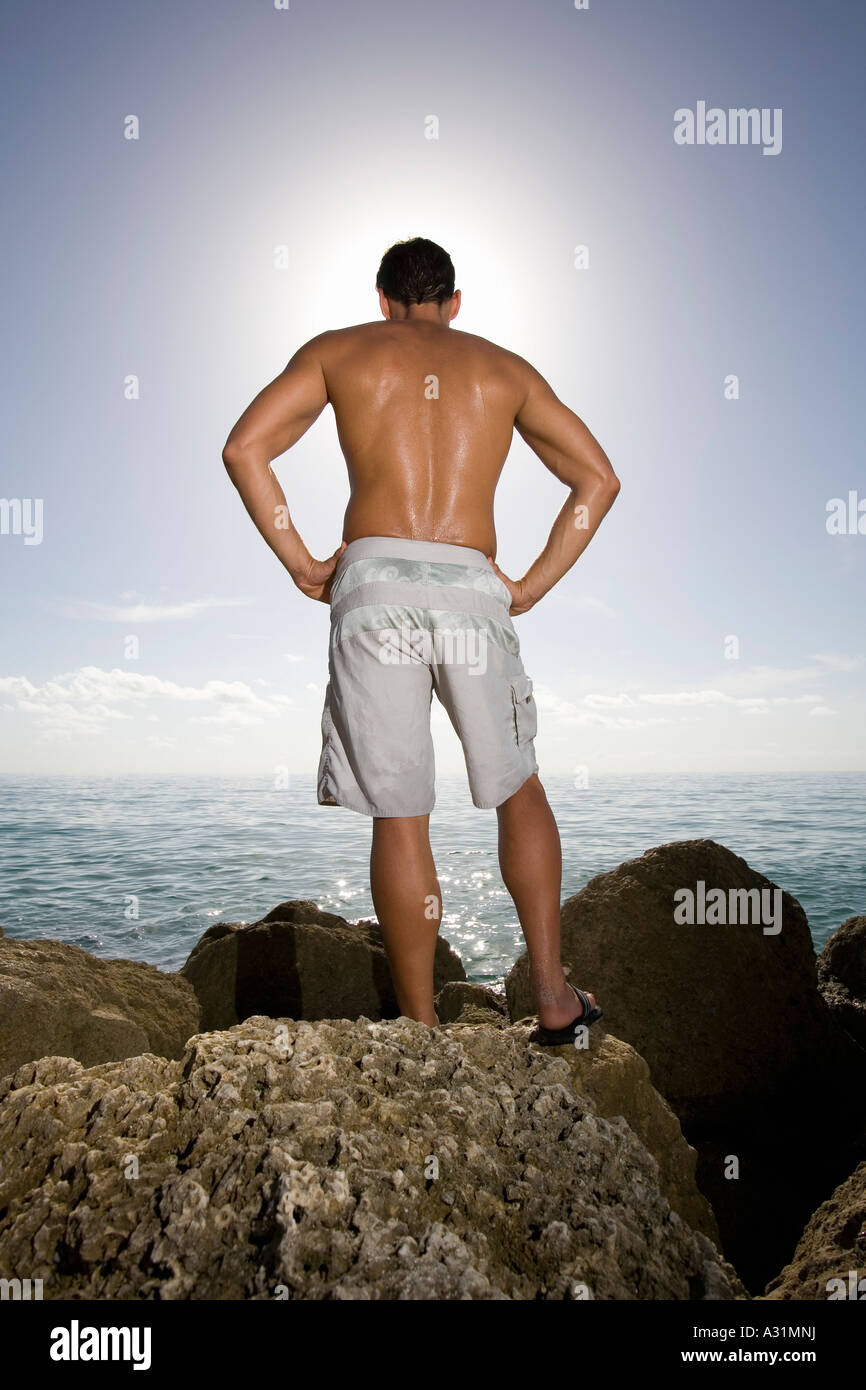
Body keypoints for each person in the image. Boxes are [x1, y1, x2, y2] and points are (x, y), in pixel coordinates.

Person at [222, 237, 620, 1042]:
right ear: (455, 301)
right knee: (519, 788)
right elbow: (598, 478)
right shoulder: (503, 368)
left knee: (401, 815)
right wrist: (531, 583)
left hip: (371, 582)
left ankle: (419, 1024)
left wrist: (302, 561)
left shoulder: (340, 351)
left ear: (382, 298)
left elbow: (244, 448)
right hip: (473, 586)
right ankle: (552, 998)